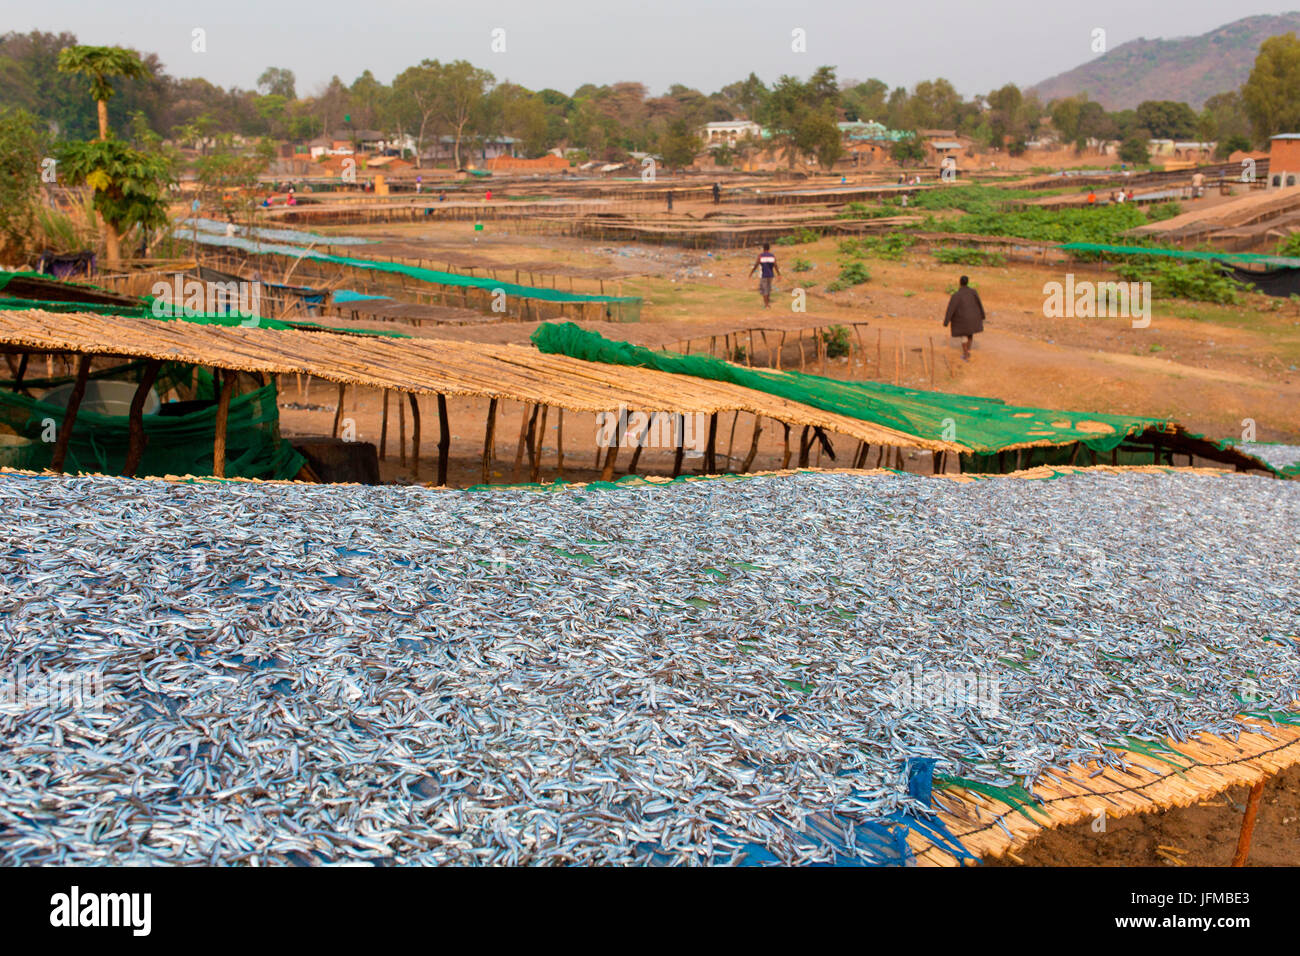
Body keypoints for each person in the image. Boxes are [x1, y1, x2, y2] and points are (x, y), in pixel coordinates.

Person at [943, 275, 985, 362]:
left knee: (963, 336)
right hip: (973, 318)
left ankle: (966, 355)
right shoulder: (973, 292)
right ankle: (968, 351)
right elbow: (979, 304)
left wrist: (946, 321)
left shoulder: (956, 295)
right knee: (970, 333)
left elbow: (951, 309)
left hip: (962, 320)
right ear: (967, 282)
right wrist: (982, 315)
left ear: (960, 283)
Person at [748, 242, 780, 309]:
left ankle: (766, 305)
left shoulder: (761, 256)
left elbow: (756, 265)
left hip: (764, 275)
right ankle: (768, 303)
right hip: (771, 275)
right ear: (769, 248)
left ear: (763, 248)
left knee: (764, 289)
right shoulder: (772, 256)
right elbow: (775, 265)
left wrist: (751, 273)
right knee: (768, 289)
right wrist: (779, 274)